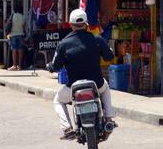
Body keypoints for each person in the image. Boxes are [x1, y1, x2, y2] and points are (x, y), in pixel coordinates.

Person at [48, 8, 115, 139]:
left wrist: (50, 66)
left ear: (71, 25)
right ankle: (109, 119)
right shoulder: (98, 39)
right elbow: (109, 57)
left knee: (58, 101)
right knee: (105, 88)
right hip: (96, 83)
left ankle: (67, 128)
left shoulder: (63, 44)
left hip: (74, 87)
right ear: (86, 24)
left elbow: (55, 66)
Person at [7, 4, 26, 70]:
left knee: (14, 50)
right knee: (20, 50)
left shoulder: (12, 16)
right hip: (21, 34)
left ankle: (14, 65)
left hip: (13, 35)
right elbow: (24, 27)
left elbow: (8, 24)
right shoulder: (23, 17)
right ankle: (19, 66)